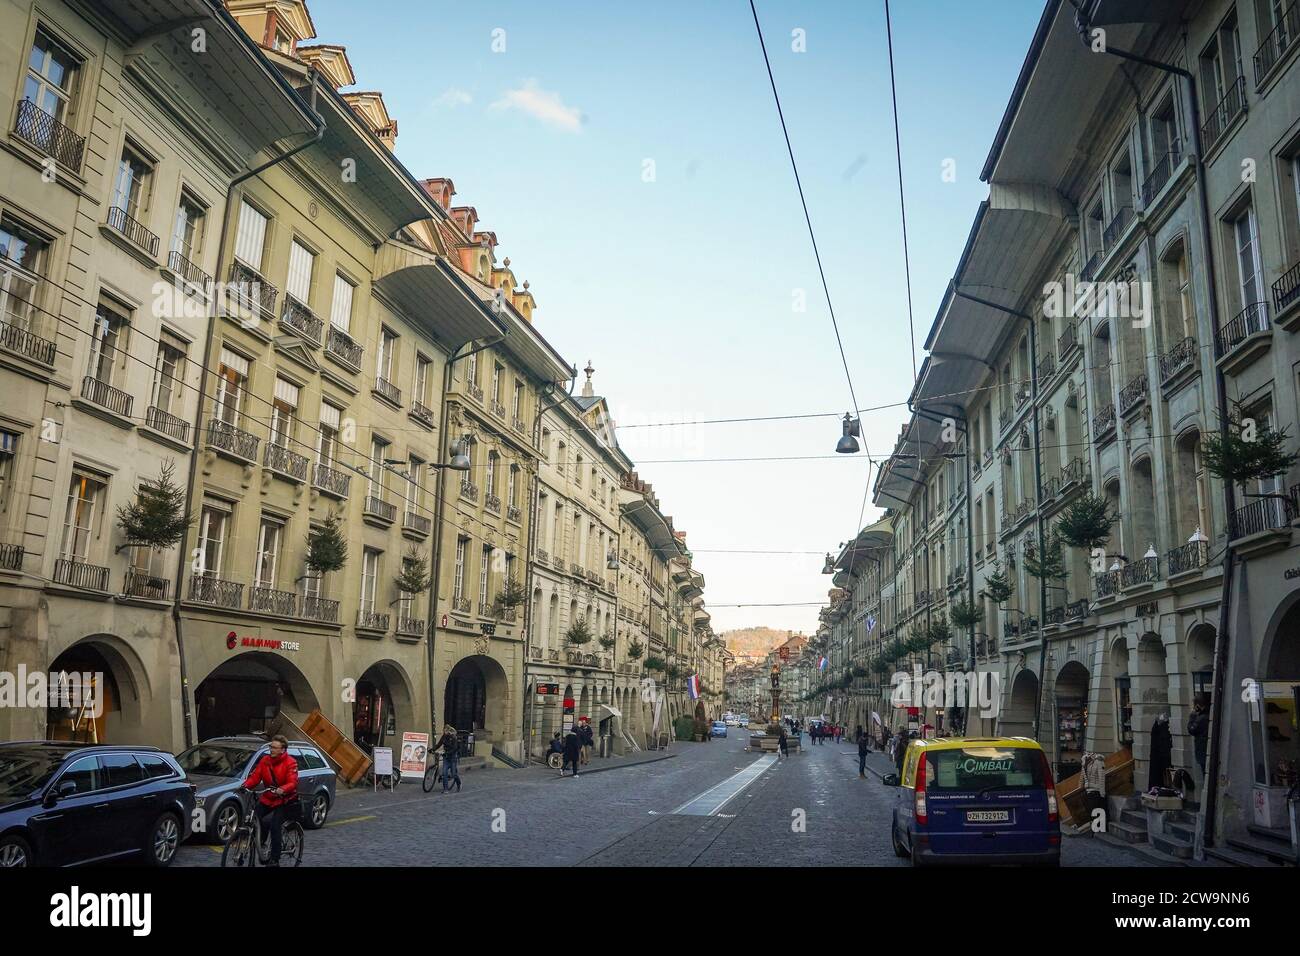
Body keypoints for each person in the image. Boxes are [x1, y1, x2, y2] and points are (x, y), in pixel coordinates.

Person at [240, 734, 299, 867]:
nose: (271, 749)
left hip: (285, 799)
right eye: (270, 747)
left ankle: (274, 859)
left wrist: (283, 789)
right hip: (268, 797)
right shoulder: (265, 760)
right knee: (256, 818)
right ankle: (261, 845)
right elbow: (256, 776)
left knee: (275, 825)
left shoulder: (291, 762)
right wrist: (246, 785)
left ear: (282, 750)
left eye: (274, 747)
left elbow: (292, 782)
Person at [1148, 713, 1173, 791]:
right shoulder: (1163, 728)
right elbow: (1165, 741)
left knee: (1156, 777)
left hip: (1156, 755)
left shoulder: (1156, 727)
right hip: (1162, 756)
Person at [1187, 697, 1210, 778]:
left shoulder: (1201, 718)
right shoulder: (1208, 715)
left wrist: (1192, 716)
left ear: (1197, 706)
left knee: (1205, 773)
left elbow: (1191, 730)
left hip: (1202, 750)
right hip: (1205, 749)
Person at [436, 725, 461, 793]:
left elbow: (454, 748)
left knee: (453, 774)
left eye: (446, 731)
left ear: (449, 730)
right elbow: (439, 744)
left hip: (452, 757)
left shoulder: (453, 737)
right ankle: (446, 789)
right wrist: (432, 749)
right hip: (446, 758)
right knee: (444, 773)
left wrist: (447, 753)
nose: (444, 732)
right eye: (444, 731)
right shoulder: (444, 737)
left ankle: (459, 783)